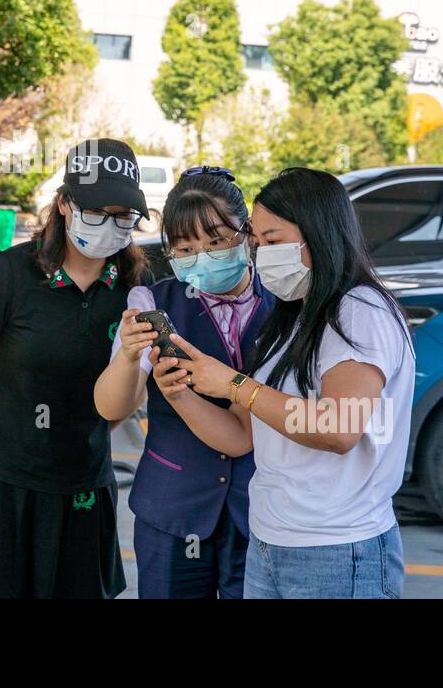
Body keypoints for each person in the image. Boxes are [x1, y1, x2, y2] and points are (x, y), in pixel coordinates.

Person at [152, 167, 414, 599]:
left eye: (273, 241)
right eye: (256, 242)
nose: (260, 254)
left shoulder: (359, 311)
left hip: (337, 550)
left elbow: (337, 429)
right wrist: (179, 389)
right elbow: (239, 436)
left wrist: (235, 384)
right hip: (270, 542)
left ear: (318, 234)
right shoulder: (293, 317)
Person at [0, 139, 150, 598]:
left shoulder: (135, 287)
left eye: (123, 215)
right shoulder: (11, 275)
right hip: (1, 489)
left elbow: (127, 398)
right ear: (65, 204)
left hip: (84, 488)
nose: (110, 226)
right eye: (96, 211)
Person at [95, 165, 273, 598]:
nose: (204, 257)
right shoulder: (151, 302)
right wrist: (129, 355)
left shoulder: (283, 299)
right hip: (172, 508)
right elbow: (111, 409)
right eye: (186, 248)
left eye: (217, 242)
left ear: (246, 233)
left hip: (263, 511)